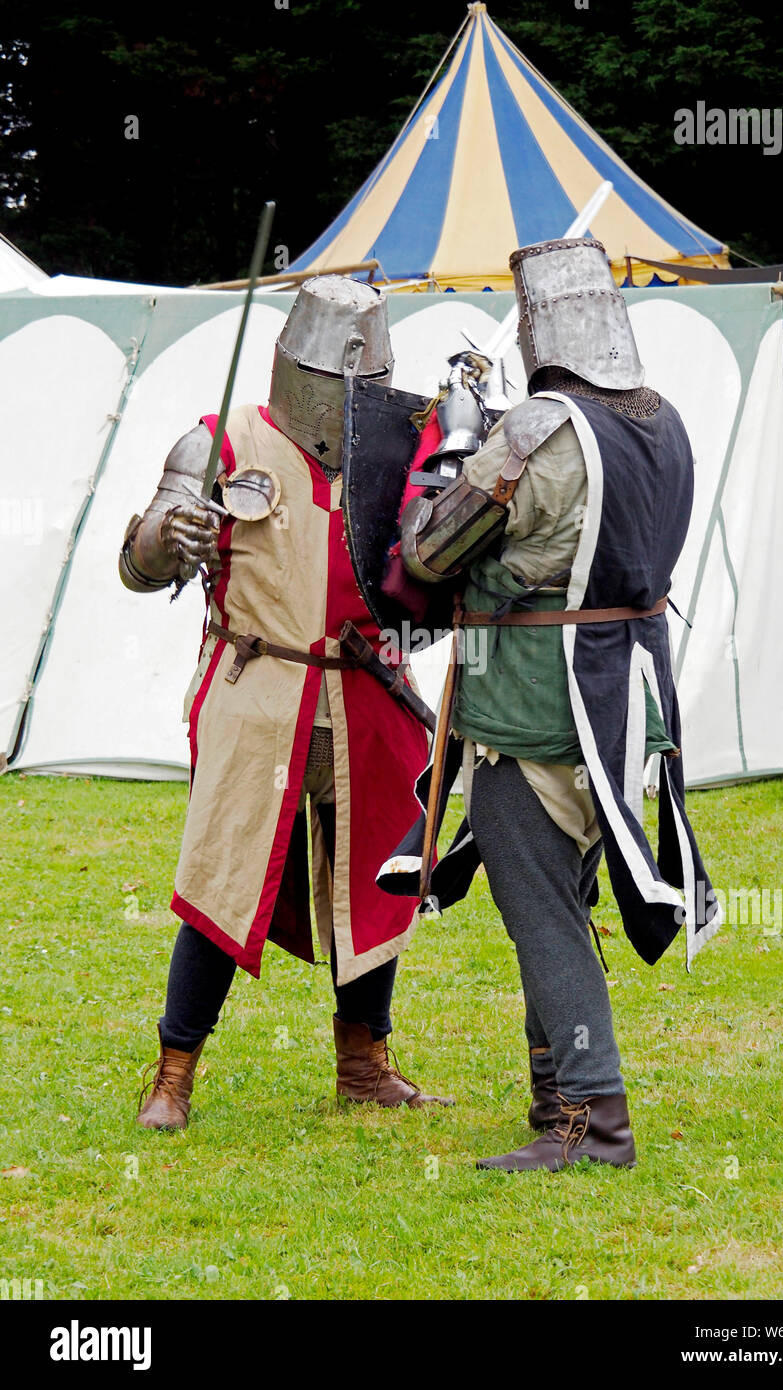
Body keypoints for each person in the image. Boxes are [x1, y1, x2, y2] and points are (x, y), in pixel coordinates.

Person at [395, 237, 717, 1171]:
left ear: (540, 324)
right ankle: (557, 1103)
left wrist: (451, 450)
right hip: (624, 703)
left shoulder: (539, 428)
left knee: (541, 915)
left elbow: (429, 550)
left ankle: (591, 1122)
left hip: (539, 708)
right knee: (558, 906)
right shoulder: (666, 420)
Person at [120, 275, 452, 1130]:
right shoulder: (220, 442)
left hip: (369, 691)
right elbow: (137, 561)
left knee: (376, 879)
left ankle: (364, 1062)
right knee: (223, 878)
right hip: (255, 690)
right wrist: (172, 536)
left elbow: (437, 563)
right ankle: (174, 1071)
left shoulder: (409, 445)